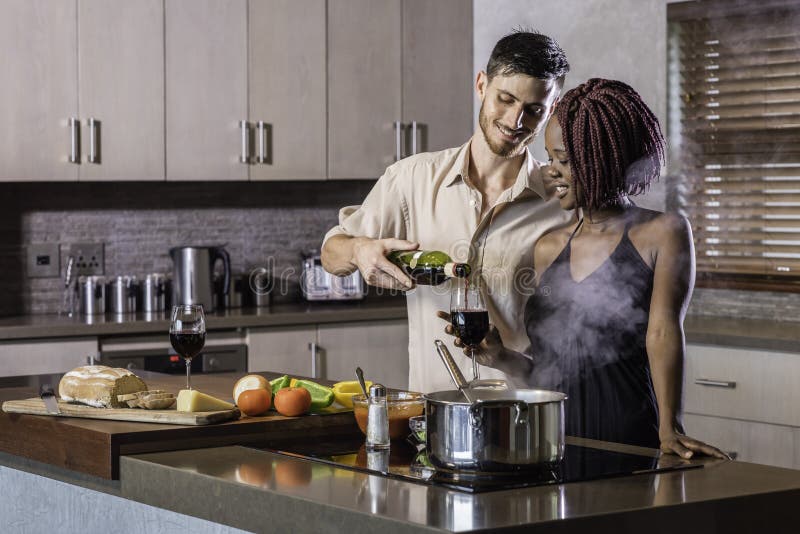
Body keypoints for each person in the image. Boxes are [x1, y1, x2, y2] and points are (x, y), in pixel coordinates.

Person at [440, 78, 728, 458]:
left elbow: (662, 333)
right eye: (550, 158)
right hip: (549, 440)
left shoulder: (662, 233)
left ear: (603, 161)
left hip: (627, 439)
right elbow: (550, 371)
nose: (551, 172)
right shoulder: (548, 247)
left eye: (564, 160)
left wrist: (669, 427)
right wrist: (501, 357)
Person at [321, 31, 574, 393]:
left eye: (533, 110)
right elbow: (331, 253)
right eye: (505, 99)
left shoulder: (562, 202)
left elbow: (569, 351)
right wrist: (359, 250)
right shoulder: (411, 179)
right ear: (481, 85)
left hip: (522, 420)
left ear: (551, 109)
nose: (516, 121)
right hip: (431, 419)